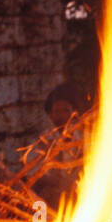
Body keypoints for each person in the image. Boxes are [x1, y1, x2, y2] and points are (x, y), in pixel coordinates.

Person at [25, 81, 92, 212]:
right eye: (56, 111)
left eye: (65, 110)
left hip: (80, 193)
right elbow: (34, 174)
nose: (61, 116)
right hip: (51, 195)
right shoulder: (44, 142)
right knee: (38, 196)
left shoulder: (86, 140)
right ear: (50, 115)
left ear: (74, 113)